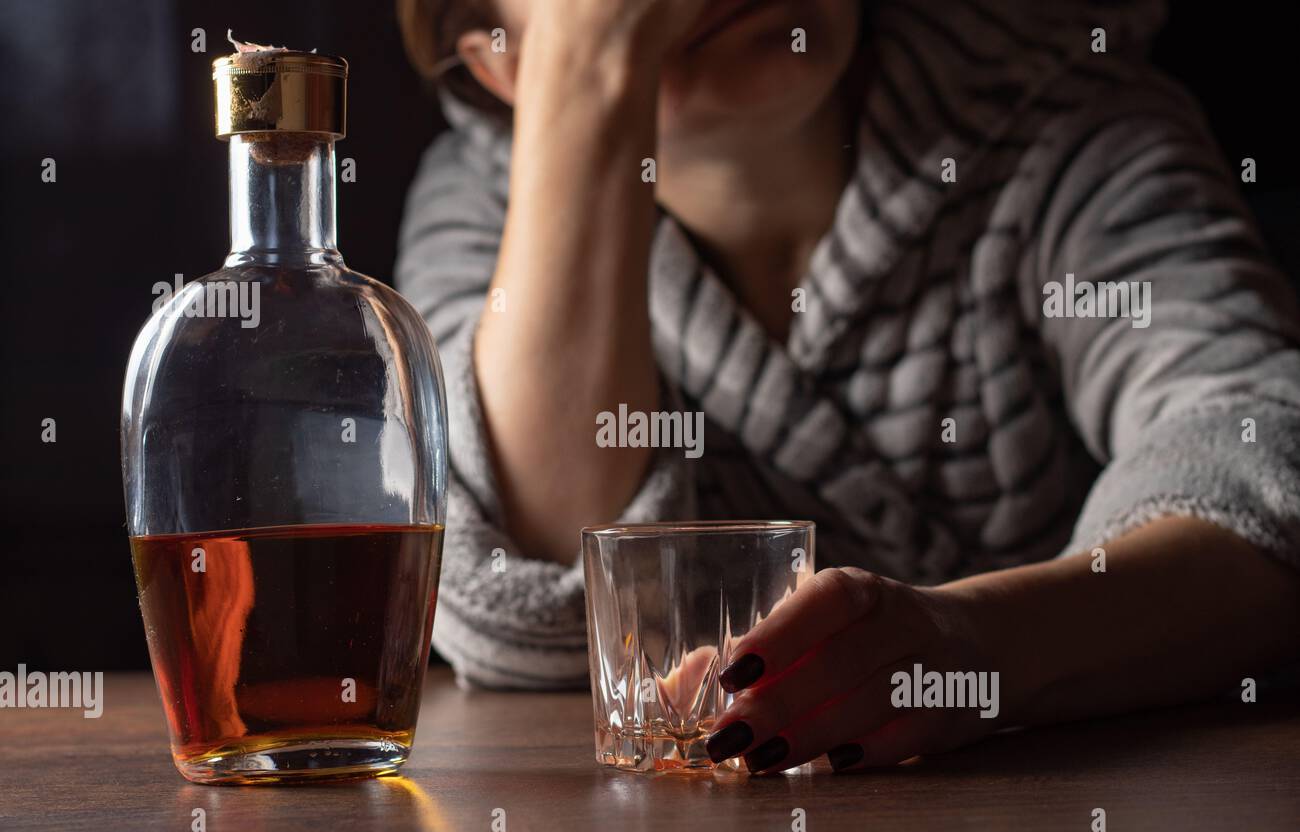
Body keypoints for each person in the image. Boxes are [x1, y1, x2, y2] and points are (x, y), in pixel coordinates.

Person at [394, 0, 1300, 773]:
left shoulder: (1065, 117)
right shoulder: (482, 199)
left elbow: (1260, 460)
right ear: (495, 63)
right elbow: (527, 620)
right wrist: (588, 72)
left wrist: (975, 651)